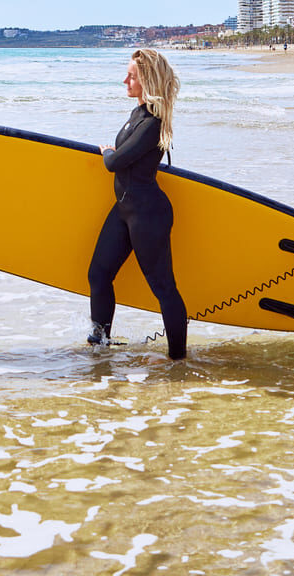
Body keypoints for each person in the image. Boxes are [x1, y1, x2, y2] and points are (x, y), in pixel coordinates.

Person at [87, 48, 187, 361]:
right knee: (98, 273)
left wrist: (107, 153)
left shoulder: (152, 123)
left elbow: (115, 161)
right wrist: (115, 154)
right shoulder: (137, 114)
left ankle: (178, 360)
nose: (125, 80)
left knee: (163, 288)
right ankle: (100, 343)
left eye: (132, 76)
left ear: (147, 80)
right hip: (124, 210)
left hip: (147, 214)